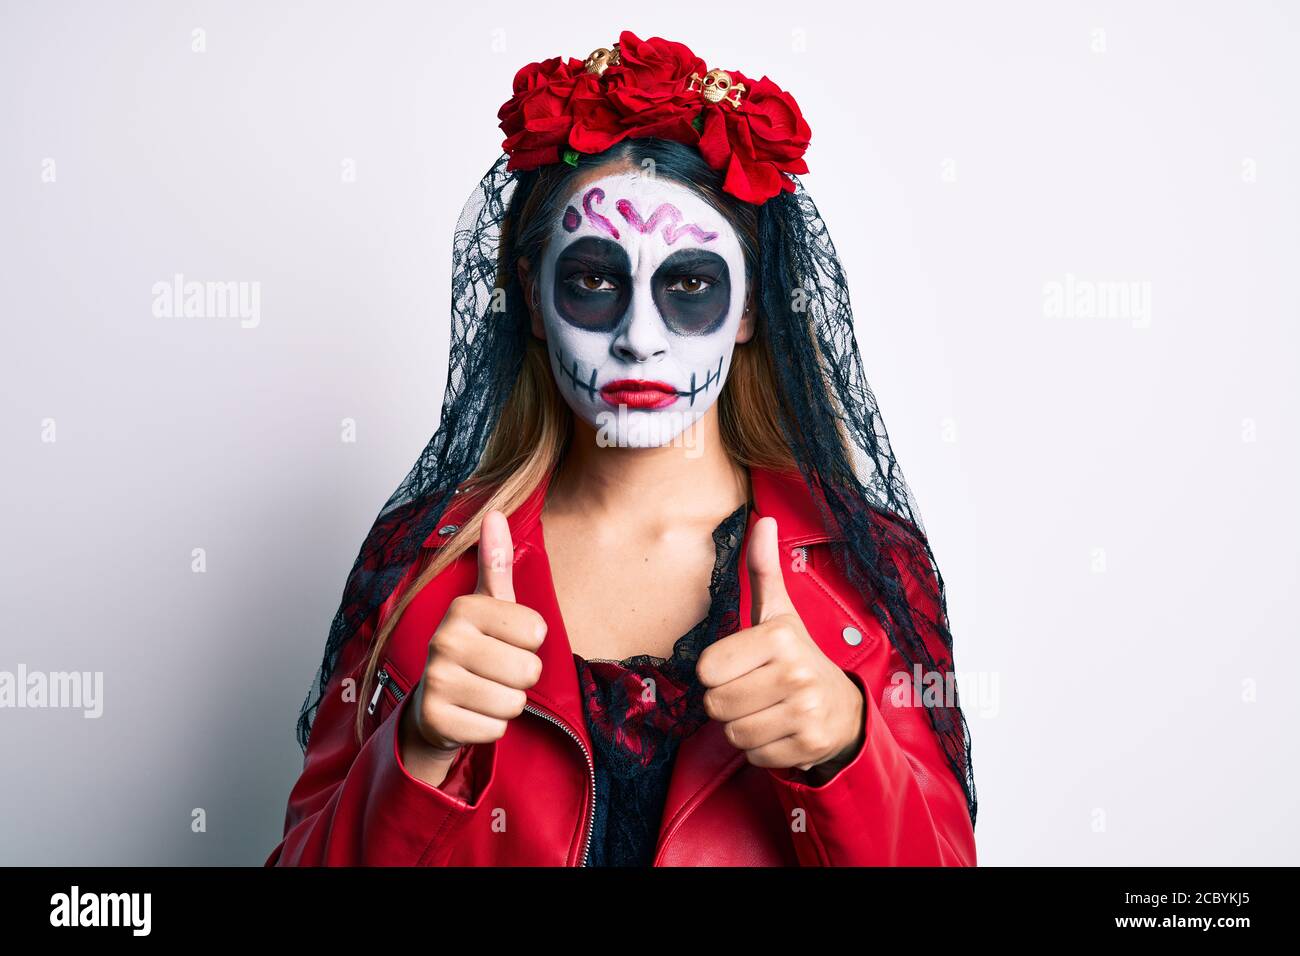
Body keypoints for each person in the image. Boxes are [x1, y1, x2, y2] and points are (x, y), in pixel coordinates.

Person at [266, 30, 977, 867]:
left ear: (750, 310)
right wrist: (414, 756)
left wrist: (846, 755)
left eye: (688, 286)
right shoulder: (417, 566)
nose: (641, 340)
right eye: (596, 281)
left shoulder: (872, 573)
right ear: (532, 299)